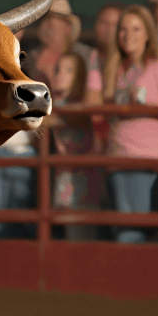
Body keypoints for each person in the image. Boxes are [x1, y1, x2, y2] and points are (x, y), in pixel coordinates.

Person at [85, 4, 158, 242]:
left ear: (147, 34)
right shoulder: (114, 68)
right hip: (117, 161)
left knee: (133, 234)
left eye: (136, 29)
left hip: (148, 161)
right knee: (124, 233)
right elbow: (97, 111)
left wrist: (145, 107)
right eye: (123, 29)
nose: (128, 35)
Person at [46, 51, 99, 240]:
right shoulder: (53, 102)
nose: (60, 74)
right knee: (69, 229)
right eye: (58, 69)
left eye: (69, 70)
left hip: (84, 177)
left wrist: (55, 118)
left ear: (80, 76)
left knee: (83, 233)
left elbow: (79, 118)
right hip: (64, 175)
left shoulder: (82, 103)